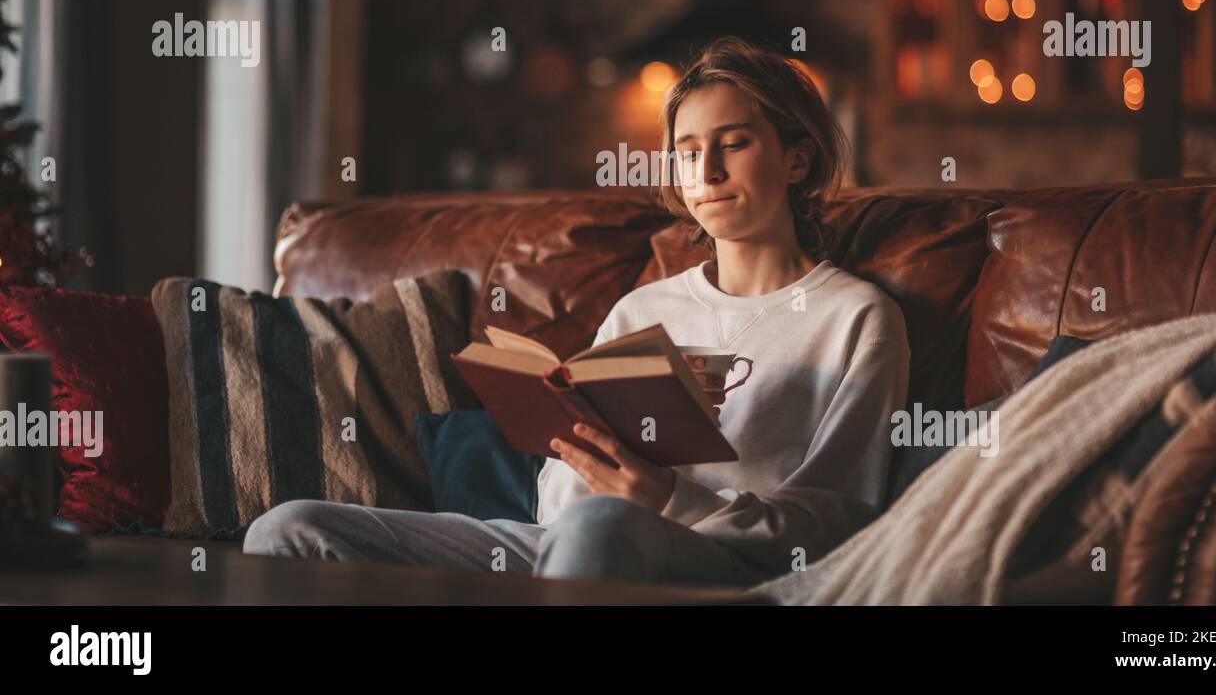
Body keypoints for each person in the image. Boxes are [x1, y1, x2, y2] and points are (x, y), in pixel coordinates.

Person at [242, 35, 911, 587]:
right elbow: (557, 500)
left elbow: (839, 520)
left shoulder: (855, 318)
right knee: (291, 529)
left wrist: (671, 498)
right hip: (565, 541)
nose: (705, 172)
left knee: (602, 527)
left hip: (731, 564)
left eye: (733, 144)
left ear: (796, 161)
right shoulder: (646, 308)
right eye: (686, 152)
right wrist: (600, 461)